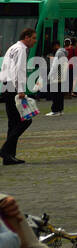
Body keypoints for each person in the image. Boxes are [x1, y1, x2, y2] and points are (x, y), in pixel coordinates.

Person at [0, 29, 37, 165]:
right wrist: (21, 90)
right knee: (25, 120)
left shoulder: (12, 48)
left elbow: (5, 67)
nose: (35, 41)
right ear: (26, 38)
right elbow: (20, 70)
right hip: (13, 86)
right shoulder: (21, 49)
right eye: (33, 38)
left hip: (6, 85)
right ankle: (5, 150)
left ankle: (9, 156)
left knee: (13, 122)